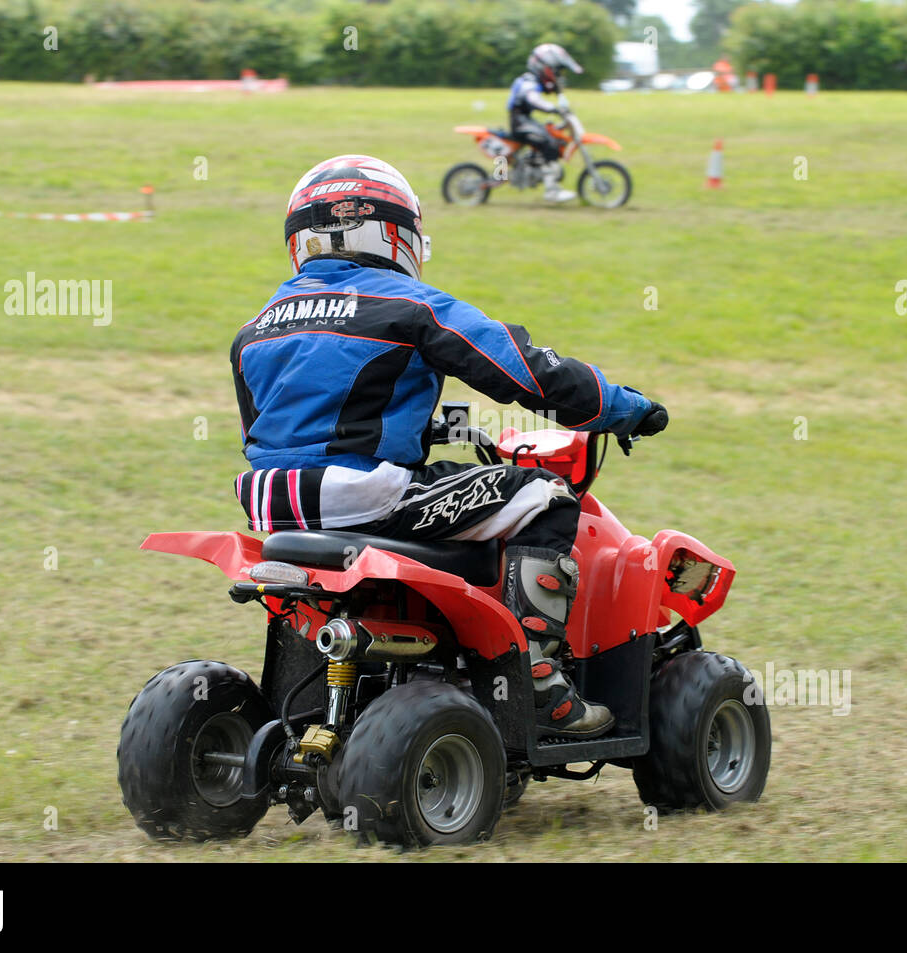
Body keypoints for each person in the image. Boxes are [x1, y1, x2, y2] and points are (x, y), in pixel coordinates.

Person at [230, 155, 668, 738]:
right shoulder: (411, 305)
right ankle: (537, 680)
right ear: (396, 235)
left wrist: (428, 430)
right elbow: (523, 371)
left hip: (272, 506)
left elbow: (290, 426)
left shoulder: (257, 325)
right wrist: (622, 407)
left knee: (443, 475)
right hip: (367, 494)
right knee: (545, 494)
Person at [506, 43, 584, 202]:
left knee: (553, 136)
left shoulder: (533, 80)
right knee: (549, 144)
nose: (558, 76)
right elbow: (533, 99)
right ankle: (551, 191)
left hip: (524, 120)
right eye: (557, 71)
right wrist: (553, 109)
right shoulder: (529, 82)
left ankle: (538, 169)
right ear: (545, 67)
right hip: (519, 123)